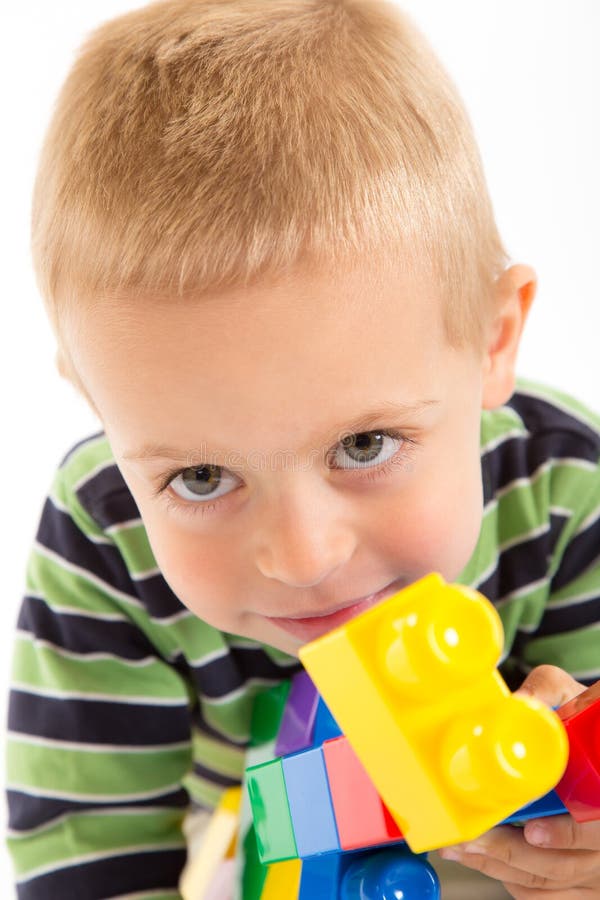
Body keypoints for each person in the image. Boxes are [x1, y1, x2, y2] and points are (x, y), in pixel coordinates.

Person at [6, 0, 600, 897]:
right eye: (201, 477)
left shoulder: (564, 491)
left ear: (491, 341)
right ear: (99, 402)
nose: (303, 557)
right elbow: (85, 844)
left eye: (365, 444)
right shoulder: (104, 526)